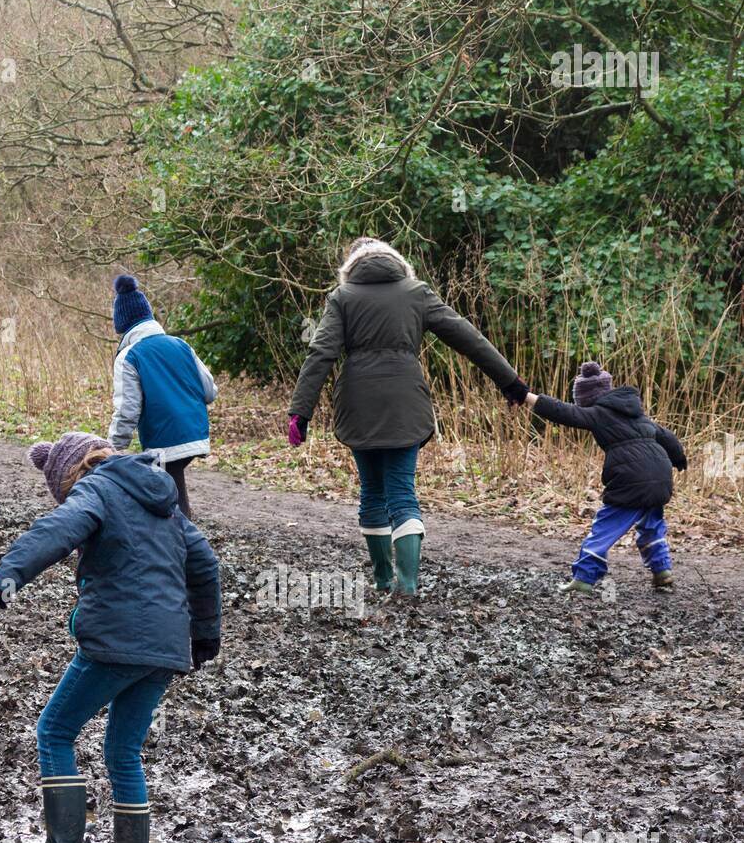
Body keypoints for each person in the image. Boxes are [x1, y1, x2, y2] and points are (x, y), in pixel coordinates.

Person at [0, 431, 221, 843]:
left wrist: (5, 574)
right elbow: (205, 564)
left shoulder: (95, 489)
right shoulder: (166, 505)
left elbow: (59, 529)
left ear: (71, 474)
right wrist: (205, 633)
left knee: (54, 730)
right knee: (123, 749)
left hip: (118, 639)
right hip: (167, 648)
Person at [287, 237, 527, 597]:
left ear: (350, 265)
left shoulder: (343, 297)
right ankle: (409, 584)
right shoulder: (416, 292)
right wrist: (510, 382)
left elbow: (322, 352)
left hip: (358, 403)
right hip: (405, 403)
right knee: (401, 490)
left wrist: (300, 411)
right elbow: (467, 337)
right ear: (397, 261)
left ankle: (384, 580)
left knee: (371, 491)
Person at [521, 362, 687, 594]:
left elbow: (563, 411)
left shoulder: (598, 413)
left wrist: (525, 396)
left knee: (606, 526)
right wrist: (679, 459)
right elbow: (666, 436)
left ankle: (584, 577)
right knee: (651, 524)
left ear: (587, 398)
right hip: (661, 475)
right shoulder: (637, 415)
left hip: (632, 478)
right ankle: (662, 570)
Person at [107, 274, 218, 518]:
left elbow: (127, 409)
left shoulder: (129, 356)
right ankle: (181, 541)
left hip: (164, 438)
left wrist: (111, 448)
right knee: (172, 489)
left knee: (164, 499)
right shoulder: (181, 345)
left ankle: (182, 546)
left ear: (123, 325)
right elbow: (210, 391)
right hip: (196, 432)